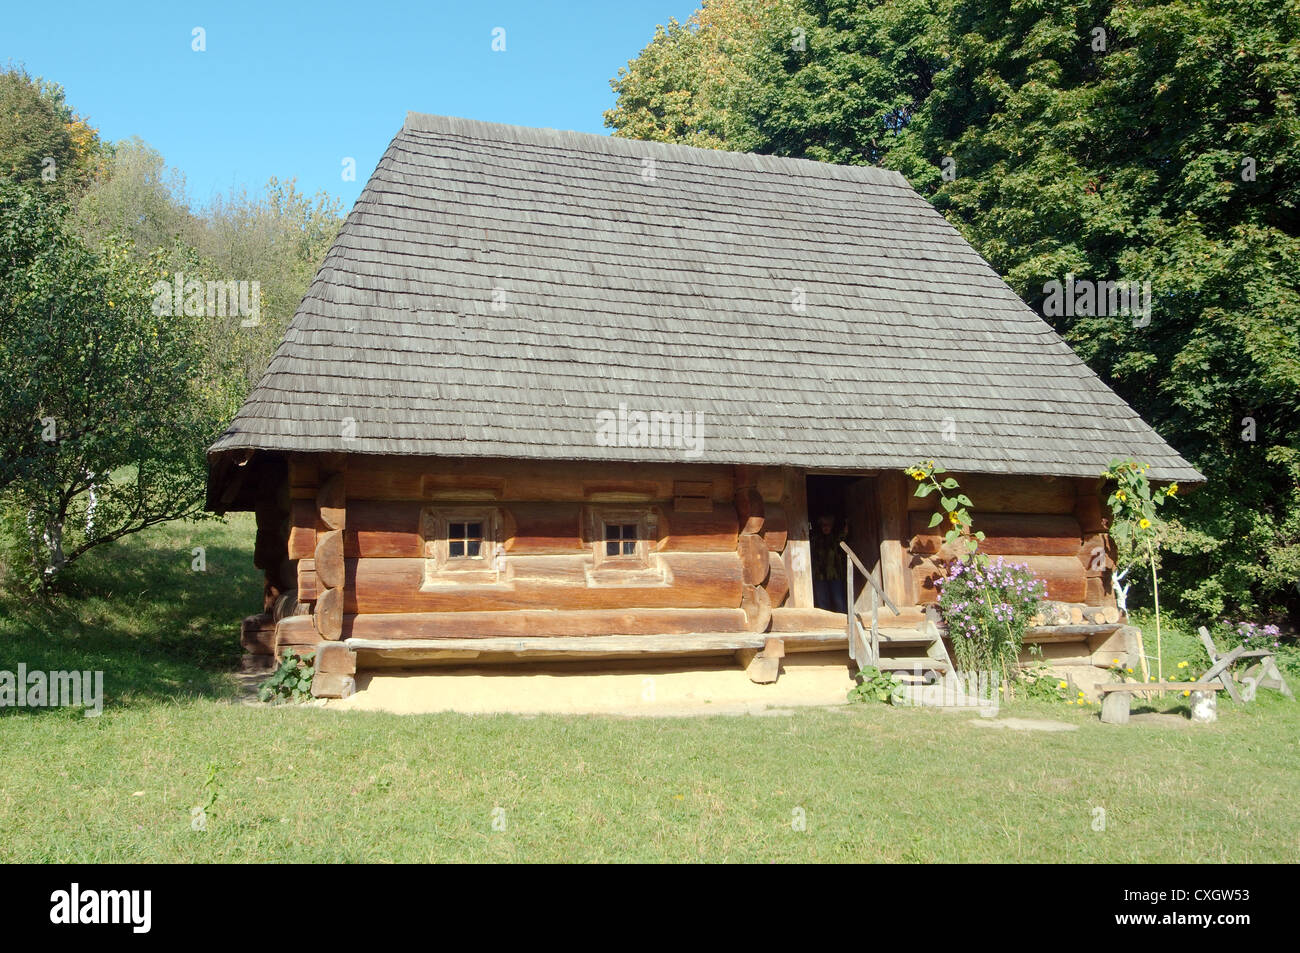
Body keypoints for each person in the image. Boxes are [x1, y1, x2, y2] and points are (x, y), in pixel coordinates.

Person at [810, 513, 848, 614]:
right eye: (823, 525)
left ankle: (843, 621)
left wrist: (846, 522)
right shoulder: (815, 539)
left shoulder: (837, 538)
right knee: (823, 605)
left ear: (832, 525)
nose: (826, 527)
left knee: (839, 602)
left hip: (835, 576)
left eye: (828, 524)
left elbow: (845, 534)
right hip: (819, 576)